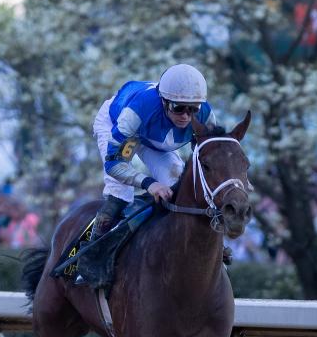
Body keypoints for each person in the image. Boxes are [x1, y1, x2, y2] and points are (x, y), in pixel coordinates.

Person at [75, 64, 218, 284]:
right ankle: (90, 260)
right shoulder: (137, 112)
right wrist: (149, 183)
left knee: (177, 185)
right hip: (120, 129)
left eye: (193, 109)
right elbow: (114, 164)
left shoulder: (206, 115)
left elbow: (211, 154)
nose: (186, 117)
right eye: (179, 108)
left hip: (154, 139)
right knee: (120, 192)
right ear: (164, 101)